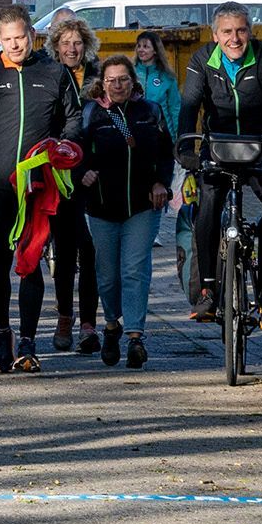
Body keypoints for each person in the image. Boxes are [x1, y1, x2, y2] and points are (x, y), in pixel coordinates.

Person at [0, 4, 83, 374]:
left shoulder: (54, 72)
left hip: (36, 186)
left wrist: (65, 146)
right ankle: (3, 335)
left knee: (30, 262)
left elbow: (74, 117)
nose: (14, 46)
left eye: (20, 38)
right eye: (7, 40)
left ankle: (27, 340)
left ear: (32, 36)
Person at [180, 2, 262, 328]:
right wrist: (186, 149)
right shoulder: (202, 61)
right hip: (217, 149)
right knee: (205, 211)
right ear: (216, 34)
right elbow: (189, 107)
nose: (235, 38)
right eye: (228, 32)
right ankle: (207, 289)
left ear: (251, 32)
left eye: (241, 30)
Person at [79, 55, 172, 370]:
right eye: (111, 80)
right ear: (102, 83)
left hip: (143, 206)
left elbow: (166, 153)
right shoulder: (92, 113)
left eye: (123, 79)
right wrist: (84, 173)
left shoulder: (151, 112)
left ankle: (135, 337)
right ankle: (111, 325)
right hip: (102, 207)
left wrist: (161, 181)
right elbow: (75, 150)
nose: (117, 85)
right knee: (107, 275)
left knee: (134, 269)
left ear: (133, 81)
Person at [47, 17, 102, 354]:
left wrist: (90, 167)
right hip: (63, 175)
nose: (71, 48)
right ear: (56, 47)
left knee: (91, 251)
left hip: (93, 178)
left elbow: (102, 129)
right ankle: (64, 317)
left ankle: (88, 323)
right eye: (65, 43)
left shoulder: (99, 75)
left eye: (77, 43)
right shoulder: (49, 76)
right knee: (65, 251)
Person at [132, 30, 184, 247]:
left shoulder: (166, 78)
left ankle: (154, 230)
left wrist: (177, 139)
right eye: (139, 46)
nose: (142, 50)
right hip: (135, 138)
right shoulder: (131, 73)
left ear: (156, 50)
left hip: (160, 139)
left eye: (146, 46)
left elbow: (175, 108)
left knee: (159, 182)